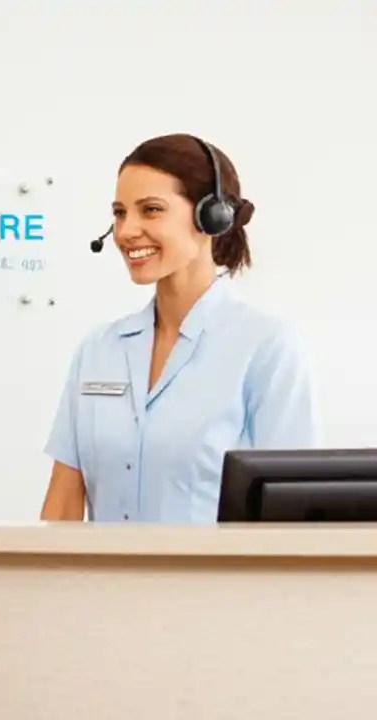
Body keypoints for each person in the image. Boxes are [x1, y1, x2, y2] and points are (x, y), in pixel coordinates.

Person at [40, 134, 320, 523]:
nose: (125, 231)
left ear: (212, 216)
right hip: (100, 583)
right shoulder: (98, 349)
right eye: (120, 213)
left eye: (151, 210)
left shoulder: (266, 347)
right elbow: (63, 500)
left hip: (213, 584)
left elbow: (290, 518)